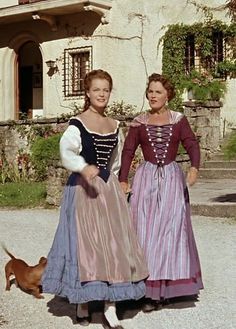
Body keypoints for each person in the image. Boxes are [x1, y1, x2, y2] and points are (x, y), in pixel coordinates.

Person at [42, 69, 148, 328]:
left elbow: (114, 161)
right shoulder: (77, 123)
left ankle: (111, 308)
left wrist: (113, 182)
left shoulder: (114, 125)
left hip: (107, 190)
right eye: (97, 89)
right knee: (87, 247)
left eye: (106, 90)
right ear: (87, 93)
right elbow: (66, 152)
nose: (101, 94)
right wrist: (82, 166)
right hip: (83, 190)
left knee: (114, 246)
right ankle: (82, 302)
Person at [119, 73, 203, 311]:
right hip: (146, 178)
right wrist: (123, 180)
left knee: (168, 232)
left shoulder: (178, 120)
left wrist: (194, 168)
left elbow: (192, 144)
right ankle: (145, 289)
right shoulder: (139, 122)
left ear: (168, 95)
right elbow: (128, 151)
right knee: (144, 231)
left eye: (158, 92)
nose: (153, 96)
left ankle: (162, 290)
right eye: (151, 91)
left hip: (171, 179)